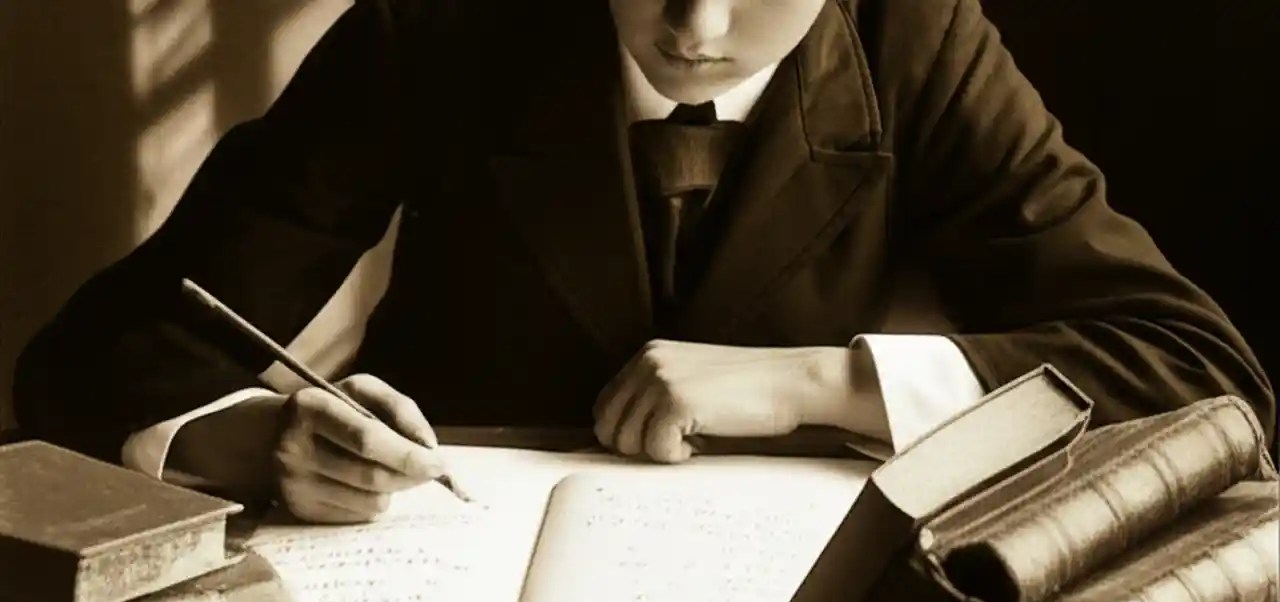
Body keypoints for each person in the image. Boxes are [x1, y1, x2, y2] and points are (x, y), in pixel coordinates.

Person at [14, 0, 1274, 524]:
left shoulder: (916, 35)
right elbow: (90, 364)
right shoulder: (443, 29)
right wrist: (252, 443)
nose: (699, 28)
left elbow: (1196, 371)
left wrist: (819, 384)